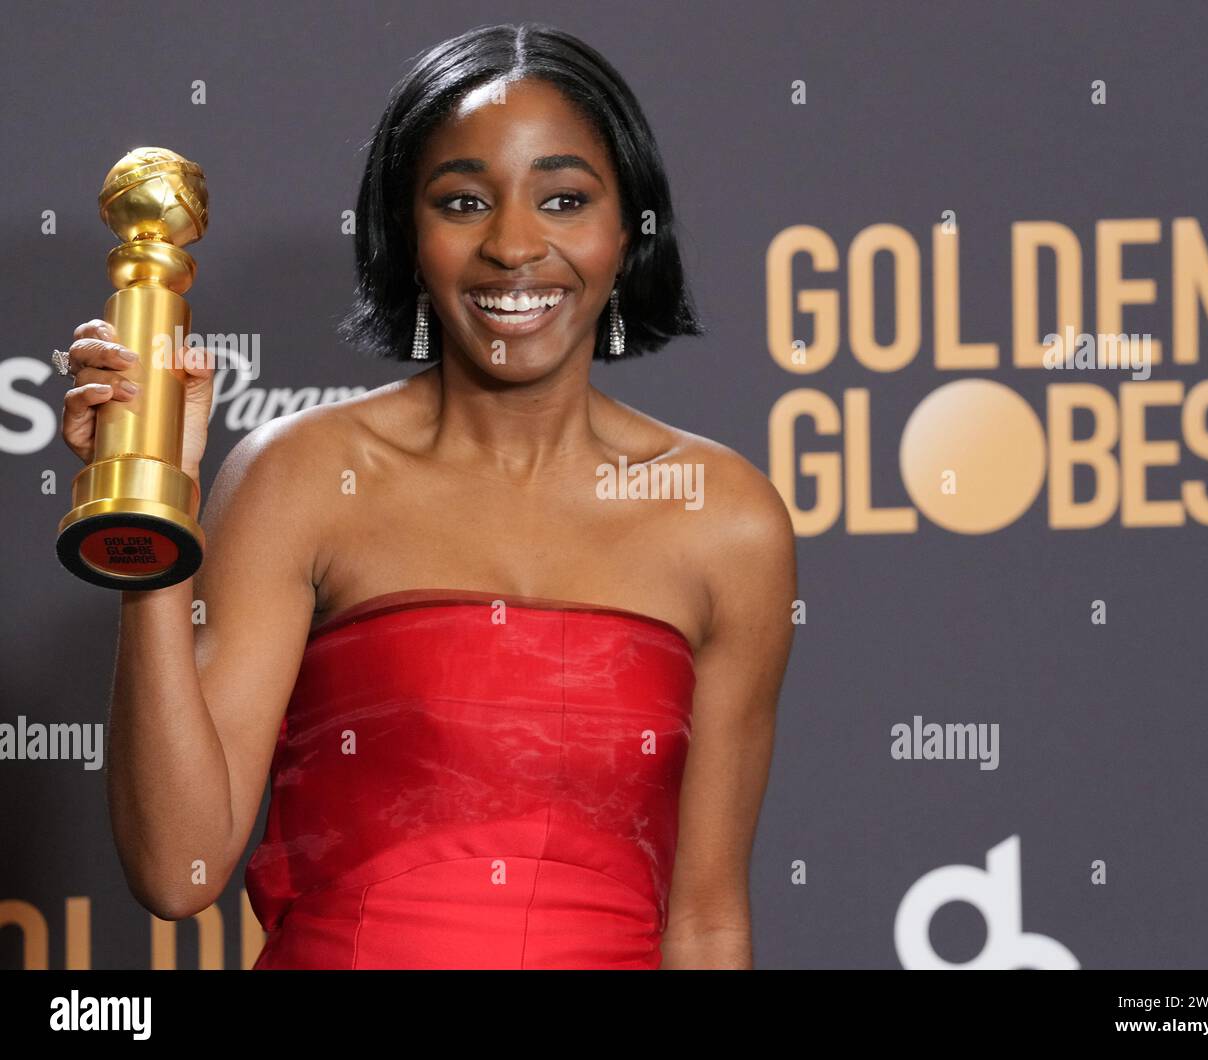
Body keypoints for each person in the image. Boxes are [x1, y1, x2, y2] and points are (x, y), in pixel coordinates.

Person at [58, 22, 796, 969]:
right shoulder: (301, 476)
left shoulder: (726, 519)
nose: (516, 246)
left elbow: (707, 924)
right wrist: (152, 519)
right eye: (463, 202)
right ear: (407, 235)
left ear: (628, 230)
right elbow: (177, 869)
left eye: (565, 199)